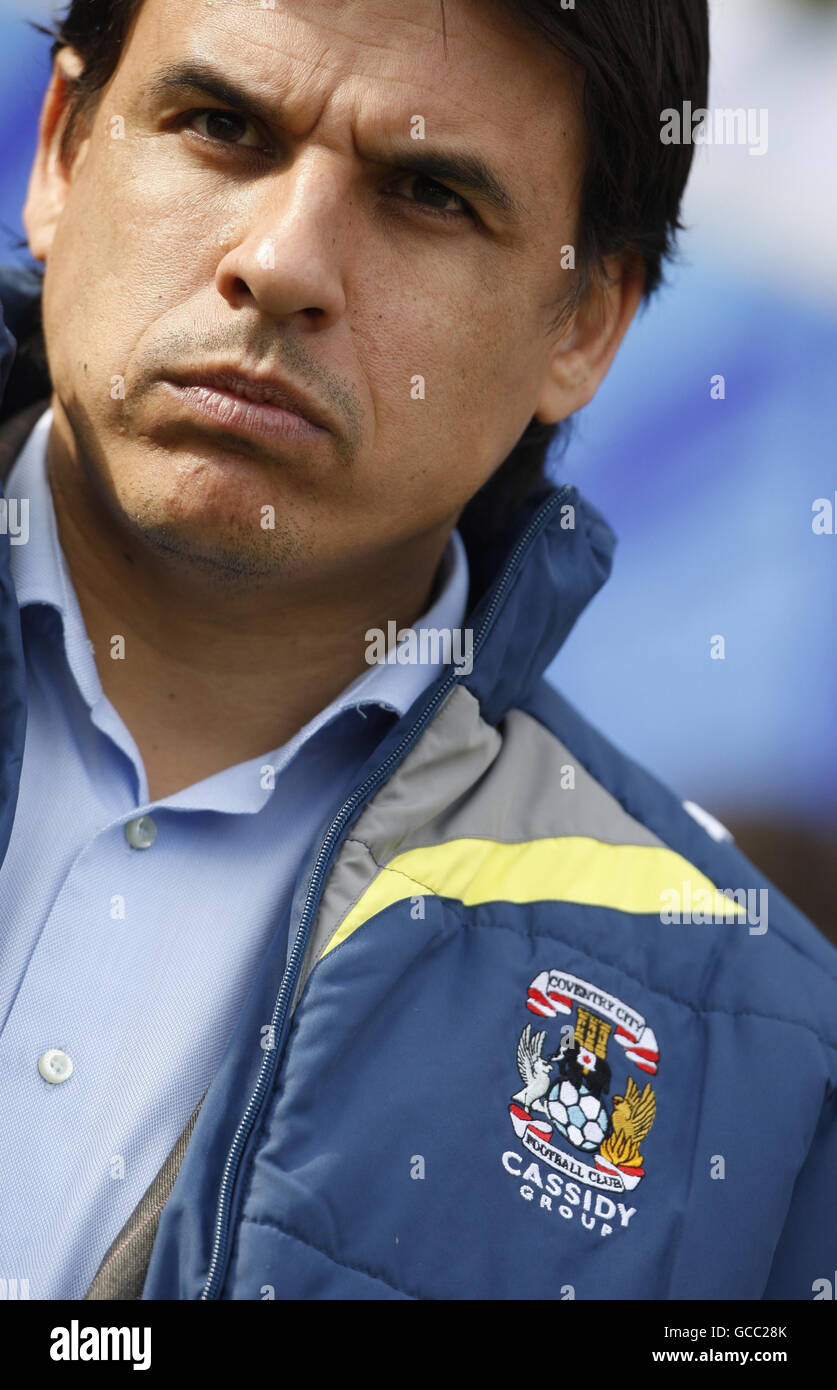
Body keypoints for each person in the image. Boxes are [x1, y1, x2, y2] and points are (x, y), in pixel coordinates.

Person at [0, 0, 833, 1302]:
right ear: (62, 147)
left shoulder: (764, 1063)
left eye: (428, 193)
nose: (280, 264)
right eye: (219, 126)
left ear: (586, 326)